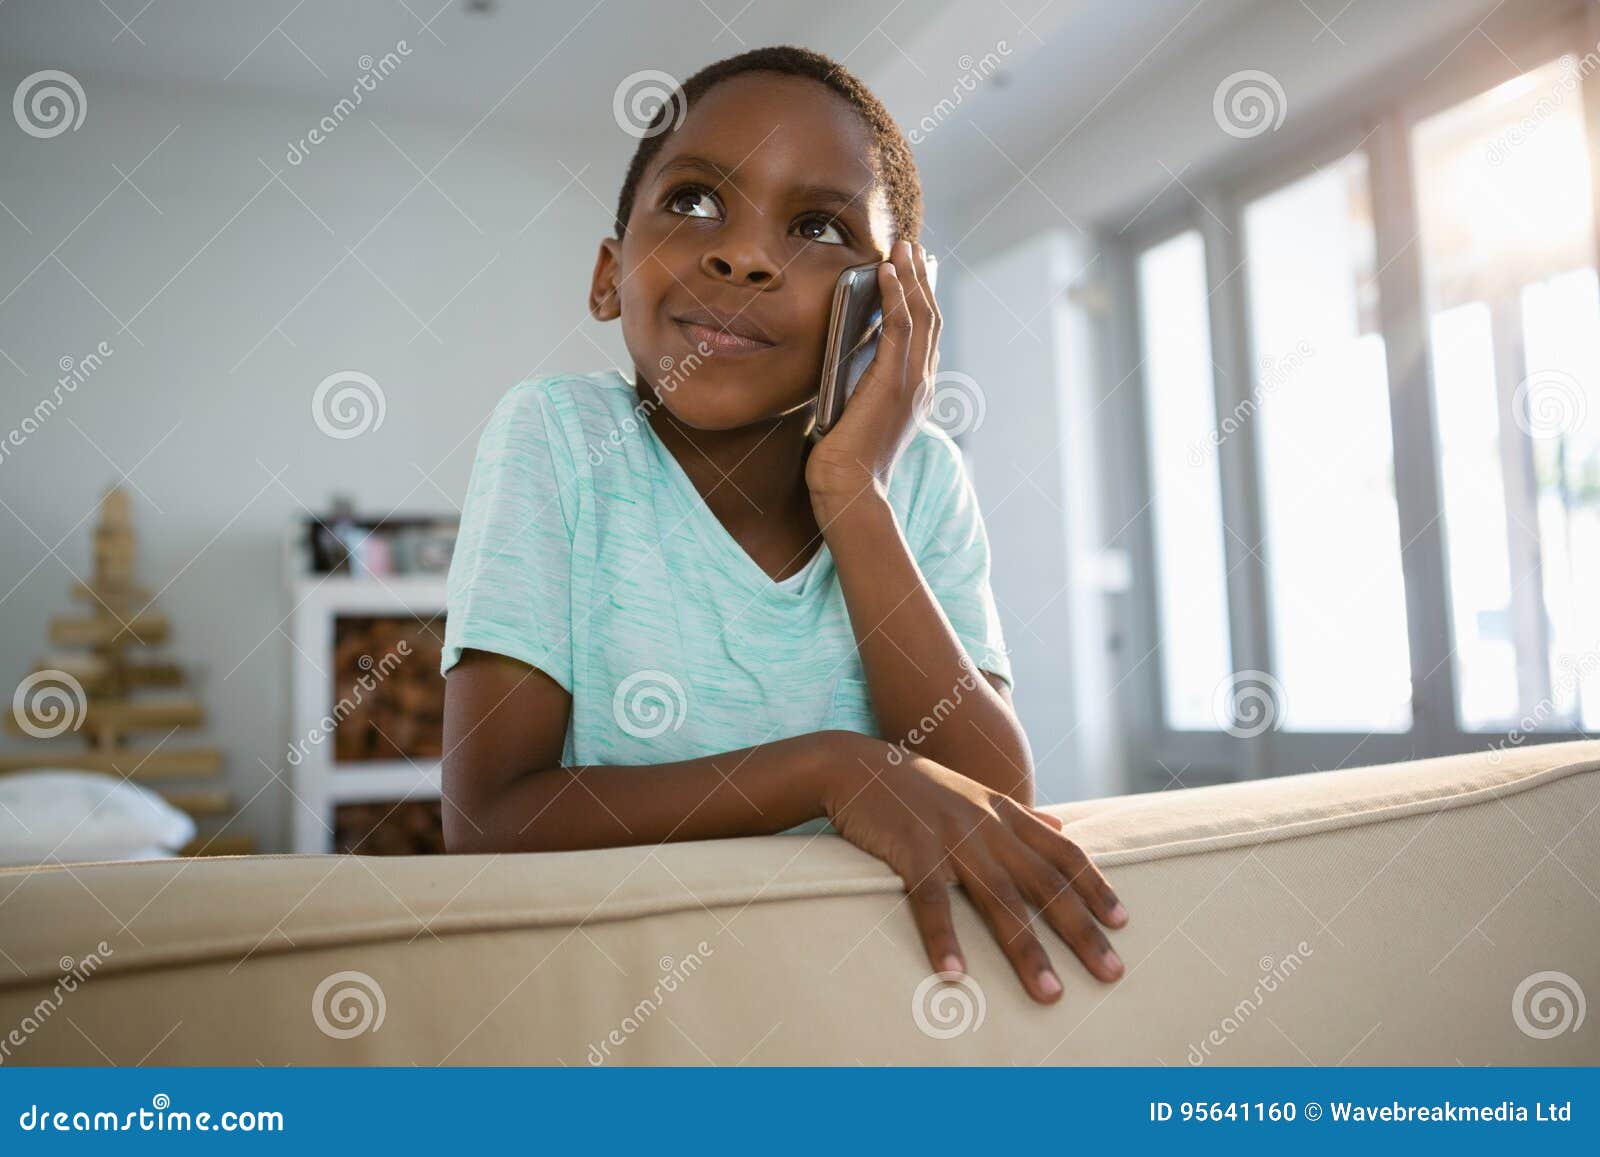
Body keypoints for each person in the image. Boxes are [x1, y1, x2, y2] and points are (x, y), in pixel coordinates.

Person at [440, 45, 1127, 1004]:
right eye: (692, 203)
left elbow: (993, 794)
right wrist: (827, 771)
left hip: (876, 999)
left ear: (893, 311)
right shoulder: (557, 435)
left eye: (818, 226)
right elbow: (488, 821)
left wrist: (853, 489)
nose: (747, 254)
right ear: (609, 276)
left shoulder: (919, 478)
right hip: (627, 1008)